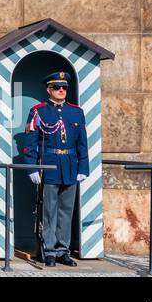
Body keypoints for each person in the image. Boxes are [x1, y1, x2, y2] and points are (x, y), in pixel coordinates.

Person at [26, 71, 88, 267]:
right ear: (48, 89)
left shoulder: (76, 112)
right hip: (49, 166)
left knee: (66, 211)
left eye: (64, 88)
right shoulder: (39, 111)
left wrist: (83, 167)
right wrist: (32, 167)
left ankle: (63, 250)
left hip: (70, 165)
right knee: (50, 210)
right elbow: (30, 142)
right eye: (56, 87)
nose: (61, 90)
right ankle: (49, 250)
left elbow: (82, 144)